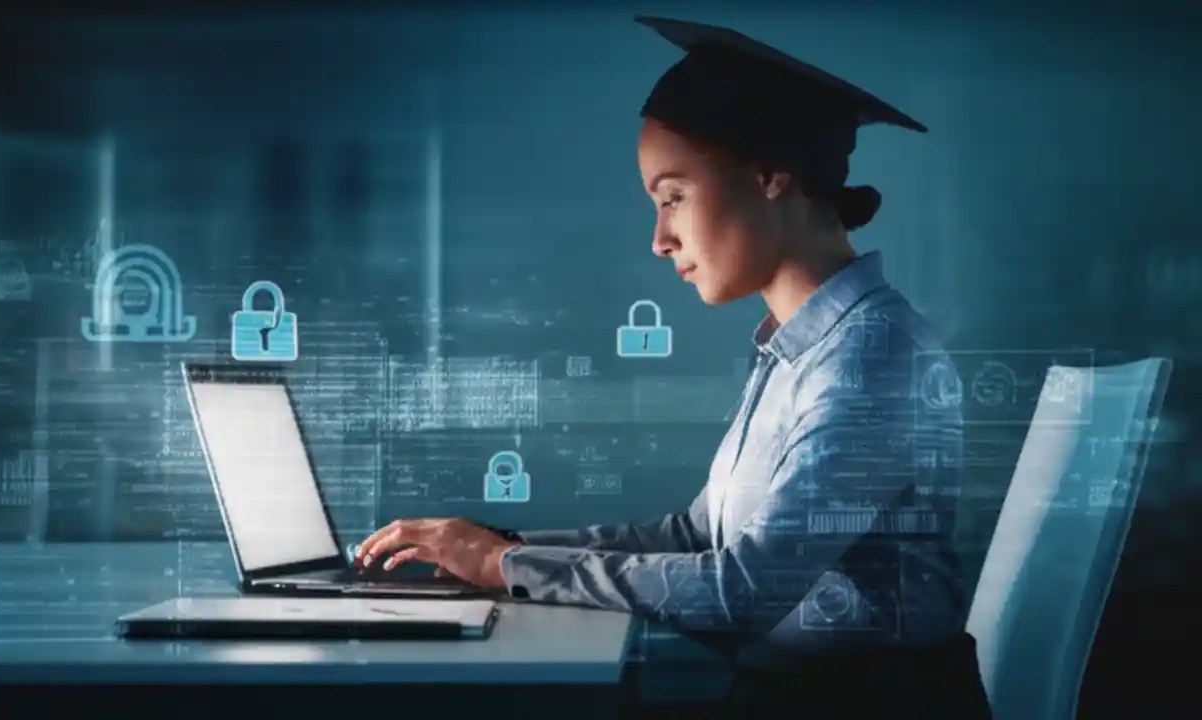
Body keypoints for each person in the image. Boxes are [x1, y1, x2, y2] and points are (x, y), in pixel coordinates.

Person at [355, 15, 991, 718]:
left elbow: (742, 589)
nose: (660, 239)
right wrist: (491, 550)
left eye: (673, 197)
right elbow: (698, 537)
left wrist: (504, 566)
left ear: (771, 173)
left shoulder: (872, 357)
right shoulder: (801, 349)